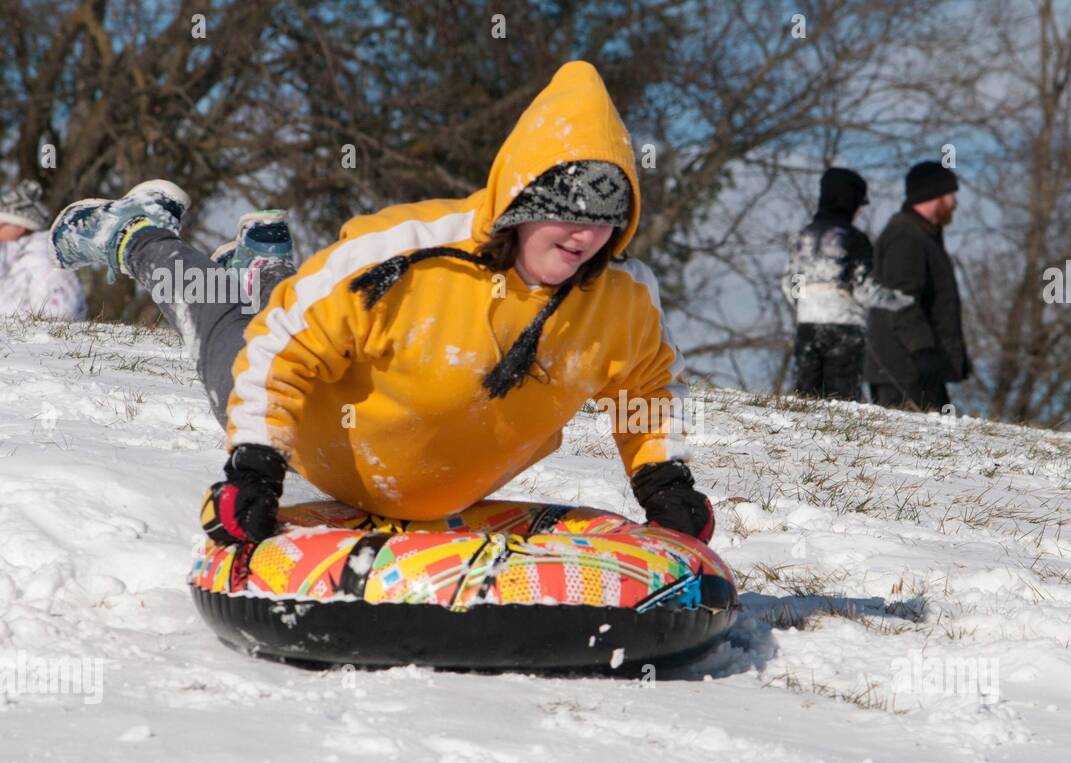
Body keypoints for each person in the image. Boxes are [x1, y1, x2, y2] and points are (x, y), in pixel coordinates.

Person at [50, 60, 713, 546]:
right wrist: (255, 466)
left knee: (285, 301)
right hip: (312, 437)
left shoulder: (619, 298)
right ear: (518, 201)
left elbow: (646, 387)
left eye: (604, 217)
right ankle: (139, 234)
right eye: (563, 209)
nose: (583, 235)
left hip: (423, 485)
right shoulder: (410, 253)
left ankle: (262, 266)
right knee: (219, 317)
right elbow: (284, 344)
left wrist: (663, 482)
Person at [866, 160, 971, 411]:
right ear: (933, 195)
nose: (955, 203)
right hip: (902, 369)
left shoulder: (922, 235)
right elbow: (899, 299)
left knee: (940, 431)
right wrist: (923, 351)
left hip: (916, 369)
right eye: (950, 194)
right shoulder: (906, 236)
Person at [782, 167, 875, 401]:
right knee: (842, 400)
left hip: (808, 323)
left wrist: (804, 304)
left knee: (805, 397)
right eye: (858, 205)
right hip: (845, 326)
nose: (858, 212)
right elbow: (862, 288)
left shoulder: (802, 237)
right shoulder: (855, 239)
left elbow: (790, 283)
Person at [0, 179, 86, 320]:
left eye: (1, 224)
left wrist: (10, 322)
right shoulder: (14, 259)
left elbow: (60, 312)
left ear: (19, 227)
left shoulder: (43, 259)